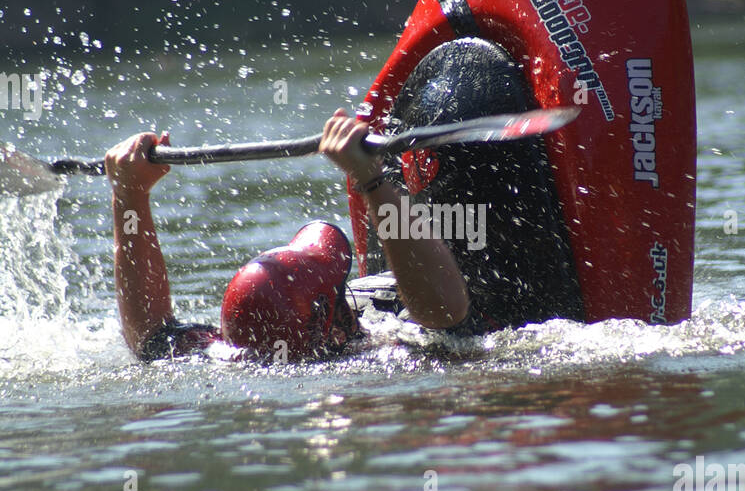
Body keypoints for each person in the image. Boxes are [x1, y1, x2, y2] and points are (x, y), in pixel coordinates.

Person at [106, 110, 473, 363]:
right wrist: (371, 180)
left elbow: (149, 335)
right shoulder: (390, 348)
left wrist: (129, 195)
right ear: (331, 328)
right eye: (336, 290)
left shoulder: (234, 351)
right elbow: (444, 309)